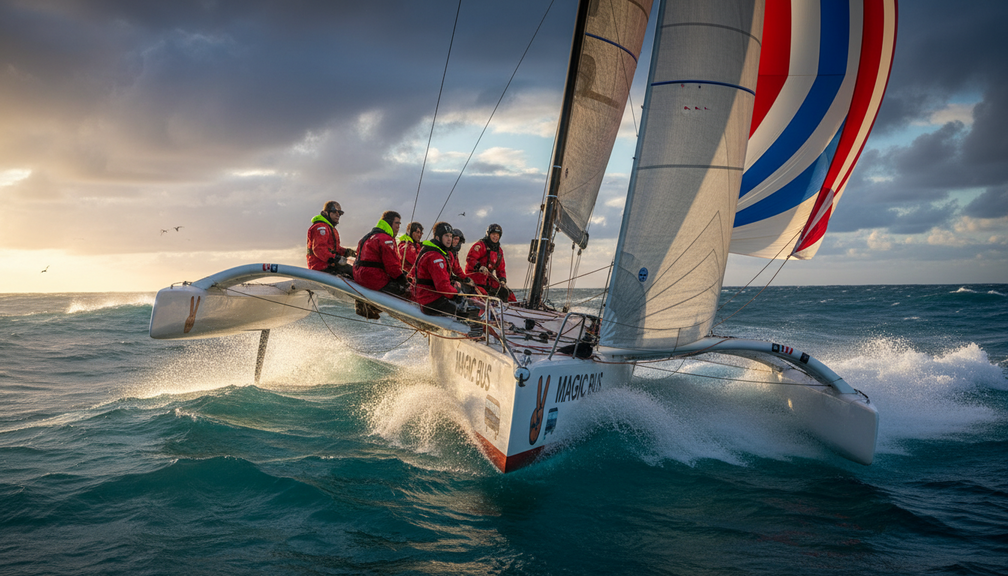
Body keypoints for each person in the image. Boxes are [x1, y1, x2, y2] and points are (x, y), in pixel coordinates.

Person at [410, 222, 477, 318]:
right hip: (429, 301)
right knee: (467, 312)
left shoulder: (439, 253)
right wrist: (456, 295)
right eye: (446, 236)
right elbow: (442, 286)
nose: (449, 239)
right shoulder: (435, 257)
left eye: (451, 236)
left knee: (466, 305)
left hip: (430, 296)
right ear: (438, 237)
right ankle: (471, 327)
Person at [353, 211, 407, 296]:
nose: (398, 227)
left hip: (358, 276)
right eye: (397, 223)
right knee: (406, 293)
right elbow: (392, 266)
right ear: (389, 223)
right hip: (374, 279)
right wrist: (404, 281)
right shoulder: (386, 239)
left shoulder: (367, 237)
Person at [466, 223, 516, 302]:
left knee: (507, 294)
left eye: (497, 235)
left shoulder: (499, 251)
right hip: (475, 278)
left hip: (488, 280)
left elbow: (501, 269)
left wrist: (502, 280)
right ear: (488, 234)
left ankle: (511, 308)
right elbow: (470, 258)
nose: (495, 237)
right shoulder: (480, 245)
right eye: (493, 234)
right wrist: (479, 267)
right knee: (483, 294)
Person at [306, 201, 355, 276]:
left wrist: (347, 252)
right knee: (355, 273)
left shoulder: (329, 228)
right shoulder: (320, 228)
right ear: (325, 213)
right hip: (322, 267)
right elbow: (319, 249)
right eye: (334, 211)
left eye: (340, 213)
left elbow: (334, 248)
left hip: (330, 265)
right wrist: (335, 259)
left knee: (355, 270)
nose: (338, 215)